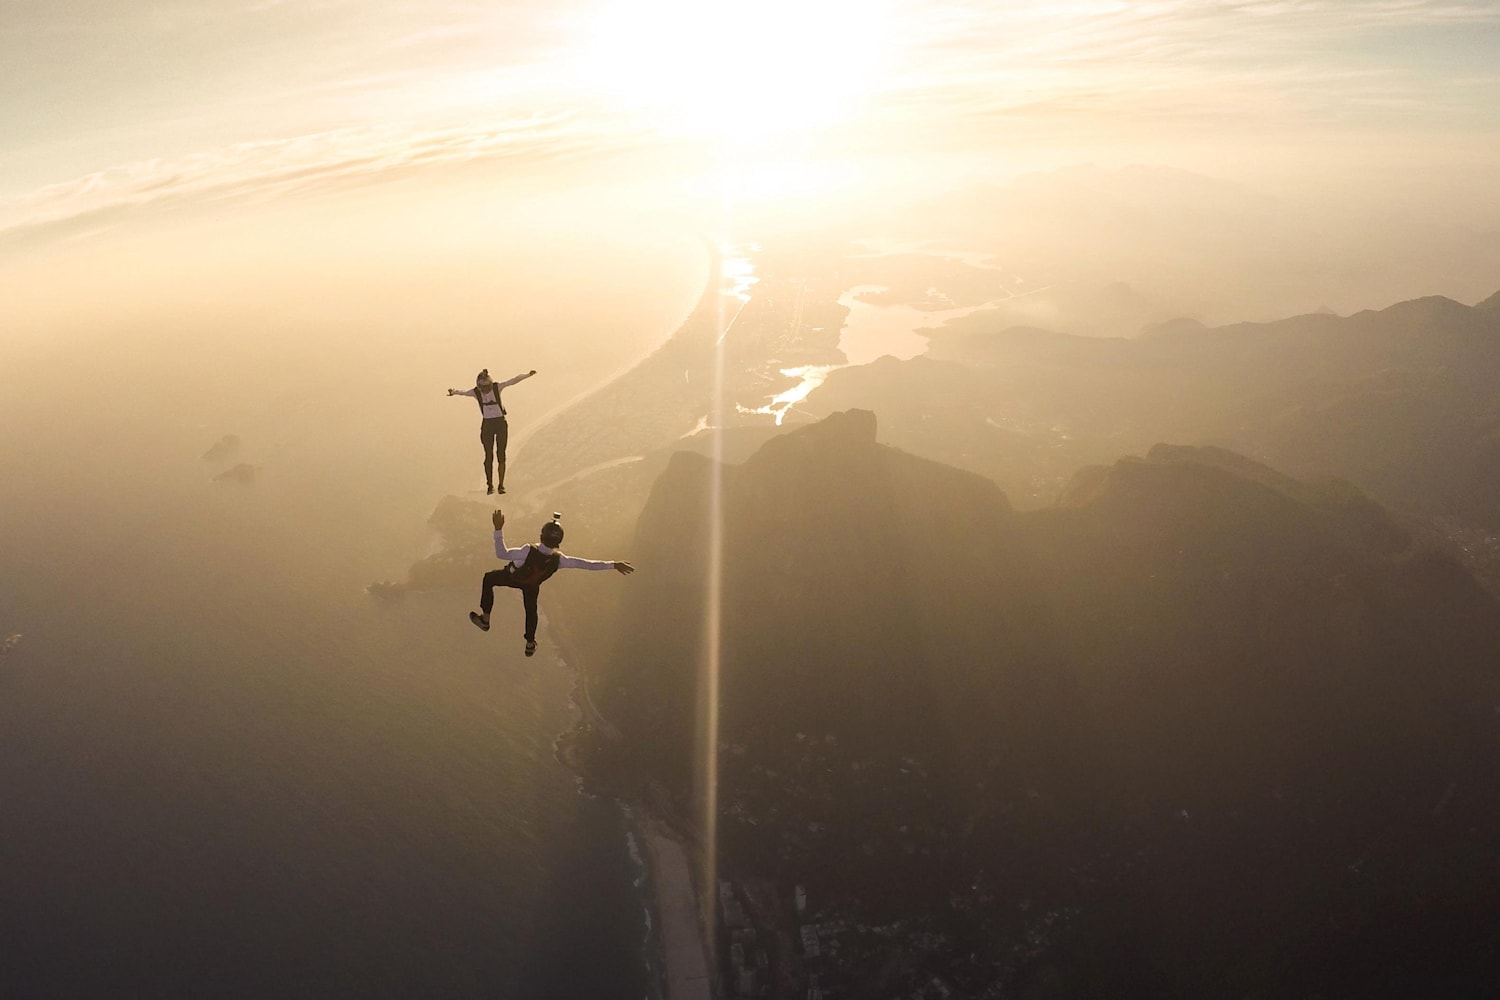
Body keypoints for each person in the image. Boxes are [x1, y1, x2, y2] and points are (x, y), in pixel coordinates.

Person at [469, 509, 634, 656]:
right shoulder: (558, 560)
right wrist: (613, 565)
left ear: (541, 535)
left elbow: (501, 554)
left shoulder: (528, 550)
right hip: (532, 586)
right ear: (558, 543)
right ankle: (529, 644)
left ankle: (485, 619)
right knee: (531, 611)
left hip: (512, 577)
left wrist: (498, 530)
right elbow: (587, 564)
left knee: (489, 578)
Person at [447, 368, 536, 494]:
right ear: (478, 385)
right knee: (488, 456)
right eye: (482, 387)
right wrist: (454, 392)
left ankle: (501, 484)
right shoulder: (476, 392)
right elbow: (463, 392)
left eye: (486, 386)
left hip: (500, 423)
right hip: (488, 424)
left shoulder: (496, 387)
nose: (484, 390)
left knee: (501, 454)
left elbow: (513, 381)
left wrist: (528, 375)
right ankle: (490, 485)